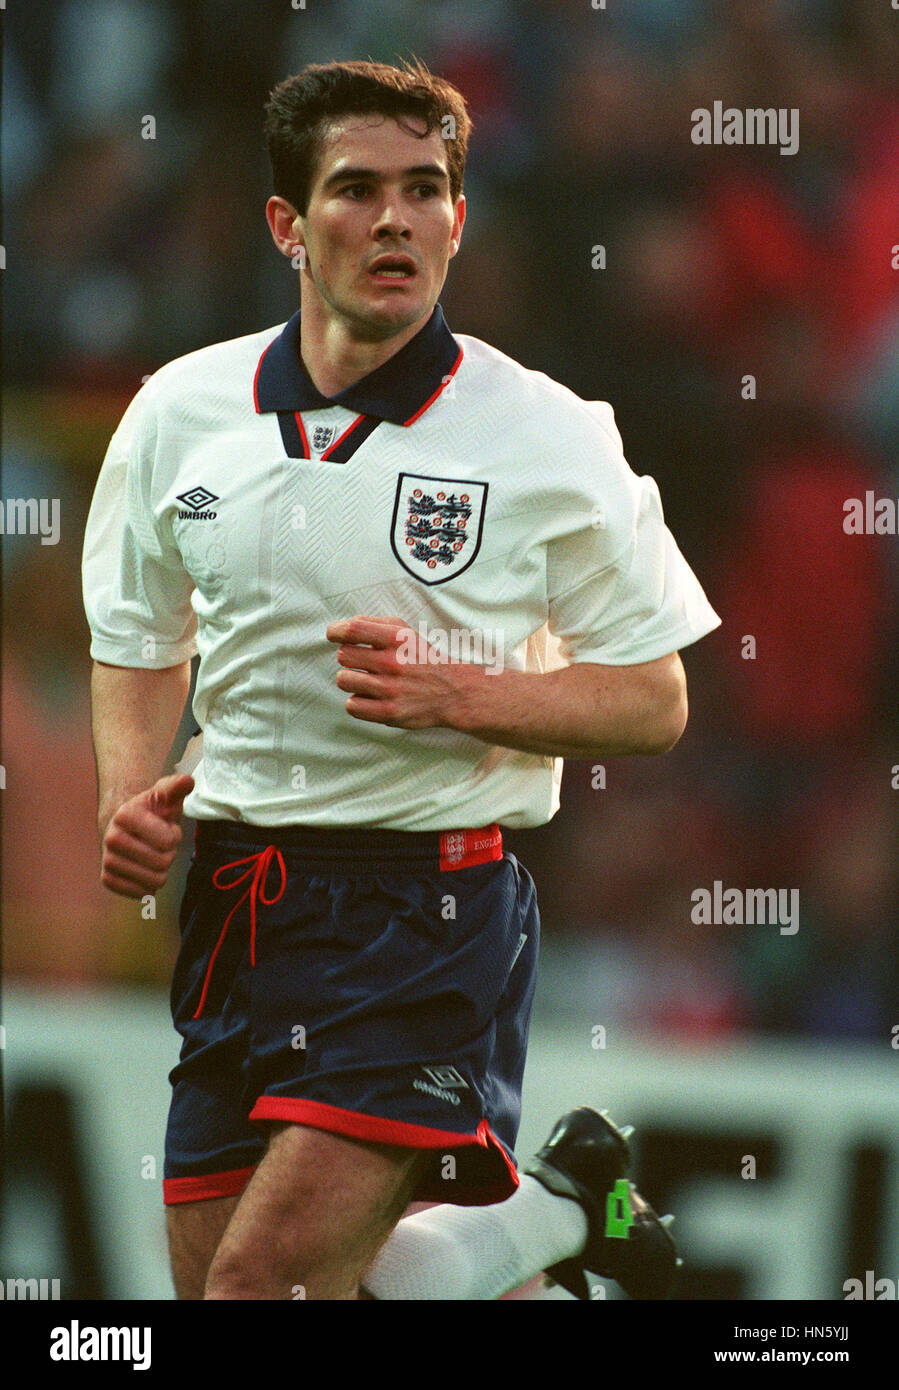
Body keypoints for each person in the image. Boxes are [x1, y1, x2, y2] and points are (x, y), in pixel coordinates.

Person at [82, 59, 720, 1301]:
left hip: (421, 912)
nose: (395, 220)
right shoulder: (178, 412)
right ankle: (559, 1217)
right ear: (286, 224)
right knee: (318, 1287)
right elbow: (139, 627)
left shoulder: (543, 434)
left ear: (458, 218)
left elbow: (654, 698)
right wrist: (131, 786)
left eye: (425, 190)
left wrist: (461, 696)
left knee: (257, 1290)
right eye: (357, 189)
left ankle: (549, 1217)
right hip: (238, 896)